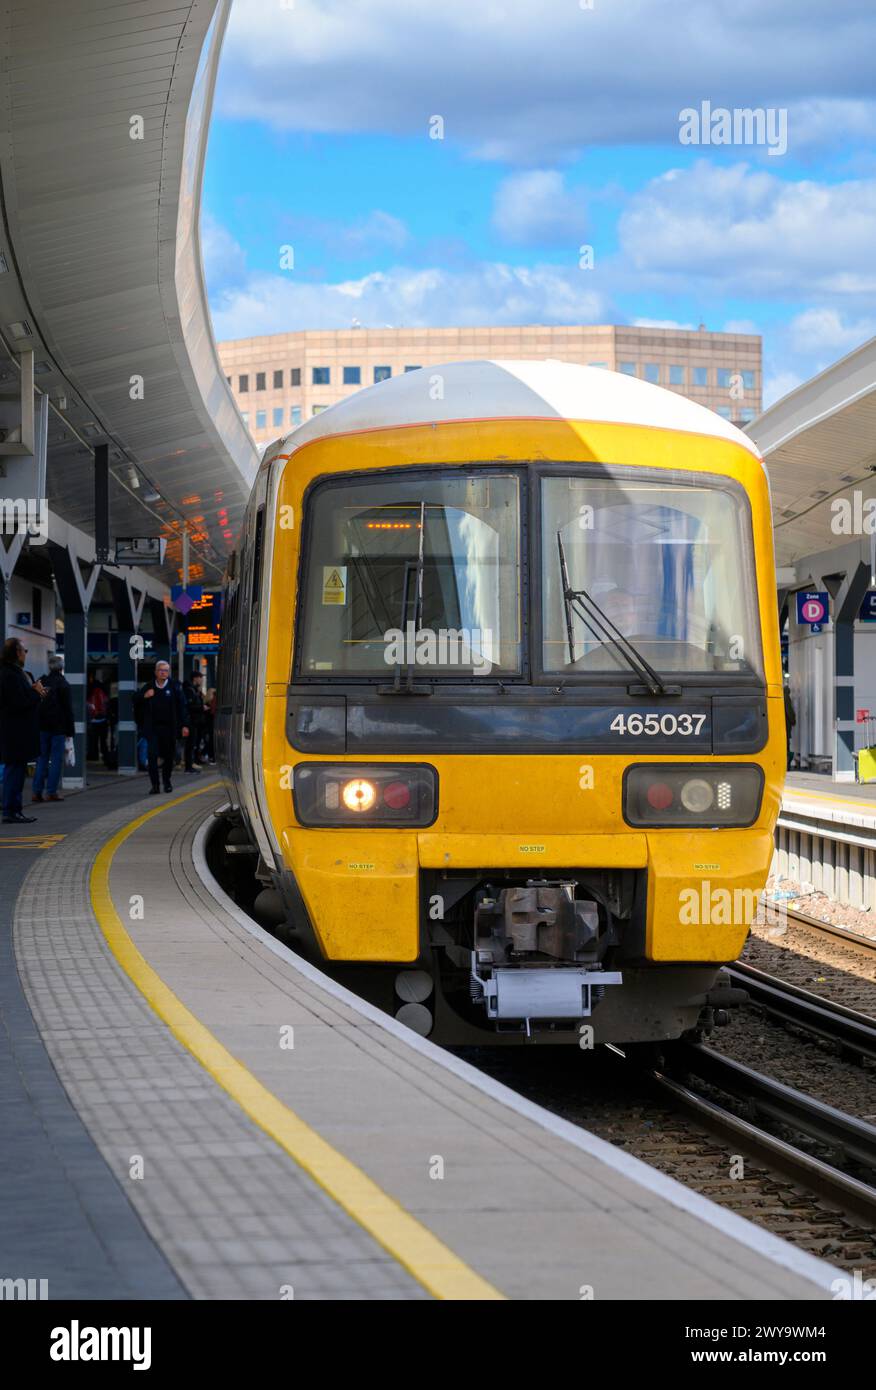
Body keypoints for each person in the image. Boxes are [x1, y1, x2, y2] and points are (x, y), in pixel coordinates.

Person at [0, 638, 46, 823]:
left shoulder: (10, 673)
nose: (26, 654)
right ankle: (11, 811)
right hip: (15, 733)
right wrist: (35, 692)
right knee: (15, 773)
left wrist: (33, 691)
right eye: (24, 650)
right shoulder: (10, 675)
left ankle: (13, 809)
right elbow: (19, 703)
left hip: (14, 732)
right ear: (17, 652)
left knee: (16, 772)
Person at [138, 660, 189, 794]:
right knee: (152, 756)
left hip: (169, 728)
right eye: (161, 670)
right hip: (153, 729)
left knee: (168, 757)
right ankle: (155, 785)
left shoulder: (174, 687)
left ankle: (167, 781)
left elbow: (182, 707)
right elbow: (135, 699)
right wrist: (144, 696)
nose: (163, 673)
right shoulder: (149, 686)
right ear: (155, 672)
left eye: (166, 670)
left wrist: (184, 725)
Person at [32, 654, 74, 802]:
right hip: (58, 728)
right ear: (61, 667)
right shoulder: (63, 684)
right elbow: (68, 709)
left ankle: (36, 792)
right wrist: (70, 731)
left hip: (42, 726)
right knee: (56, 759)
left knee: (42, 758)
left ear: (49, 667)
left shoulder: (42, 681)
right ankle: (51, 792)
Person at [182, 671, 206, 772]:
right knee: (190, 744)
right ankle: (188, 766)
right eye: (200, 678)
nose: (201, 680)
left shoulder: (194, 690)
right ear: (195, 678)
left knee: (193, 744)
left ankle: (191, 763)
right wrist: (202, 707)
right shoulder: (189, 690)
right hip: (190, 721)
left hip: (194, 721)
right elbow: (189, 706)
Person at [86, 675, 110, 764]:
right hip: (103, 720)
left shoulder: (90, 693)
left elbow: (89, 705)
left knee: (93, 740)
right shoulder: (103, 692)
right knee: (103, 741)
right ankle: (105, 756)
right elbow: (105, 704)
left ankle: (93, 755)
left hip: (93, 720)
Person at [783, 681, 796, 770]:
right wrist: (793, 721)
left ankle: (785, 764)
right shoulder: (786, 697)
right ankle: (786, 764)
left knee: (784, 744)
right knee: (786, 744)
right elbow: (789, 711)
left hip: (779, 727)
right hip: (785, 726)